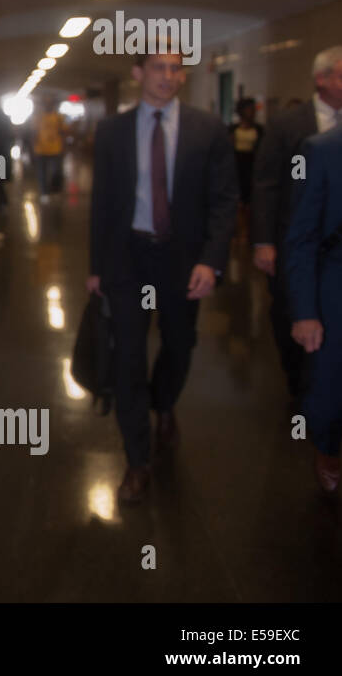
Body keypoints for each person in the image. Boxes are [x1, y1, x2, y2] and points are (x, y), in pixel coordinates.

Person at [86, 51, 238, 504]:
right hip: (128, 258)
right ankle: (137, 460)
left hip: (182, 259)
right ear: (138, 74)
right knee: (128, 358)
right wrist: (96, 268)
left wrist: (210, 261)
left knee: (179, 344)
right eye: (158, 68)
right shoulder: (112, 130)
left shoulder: (207, 129)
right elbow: (102, 202)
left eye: (176, 69)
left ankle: (165, 402)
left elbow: (225, 201)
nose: (168, 77)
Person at [251, 45, 342, 397]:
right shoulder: (288, 125)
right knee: (290, 313)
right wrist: (264, 241)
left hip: (339, 247)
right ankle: (299, 386)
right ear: (320, 80)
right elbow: (266, 184)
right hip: (293, 242)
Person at [286, 117, 342, 493]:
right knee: (331, 391)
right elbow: (302, 237)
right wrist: (305, 311)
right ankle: (327, 448)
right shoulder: (322, 149)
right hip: (338, 289)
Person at [230, 97, 264, 207]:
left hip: (252, 165)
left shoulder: (260, 130)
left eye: (253, 109)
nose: (251, 112)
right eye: (248, 109)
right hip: (237, 165)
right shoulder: (232, 129)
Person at [33, 98, 66, 200]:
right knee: (42, 172)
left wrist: (64, 146)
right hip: (41, 149)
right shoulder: (38, 117)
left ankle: (55, 190)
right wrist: (32, 147)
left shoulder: (58, 117)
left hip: (56, 148)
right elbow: (33, 132)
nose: (48, 106)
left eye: (50, 104)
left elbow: (63, 131)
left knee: (57, 171)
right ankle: (44, 192)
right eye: (46, 104)